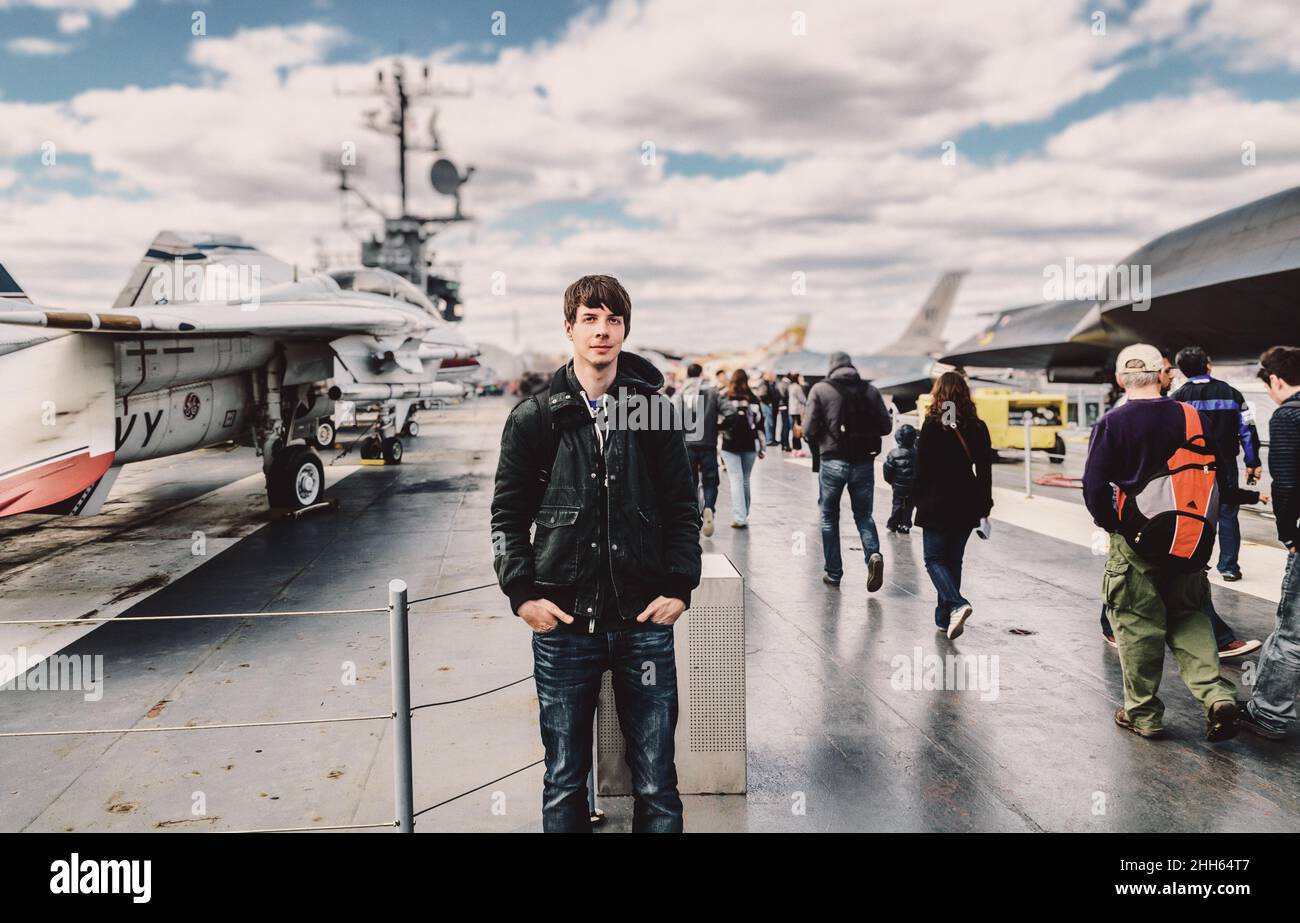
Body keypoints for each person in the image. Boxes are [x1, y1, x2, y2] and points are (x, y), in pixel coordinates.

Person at [490, 274, 702, 832]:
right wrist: (521, 595)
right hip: (562, 624)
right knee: (563, 777)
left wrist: (680, 585)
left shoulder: (653, 413)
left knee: (656, 778)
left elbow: (683, 507)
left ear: (625, 329)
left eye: (612, 320)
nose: (601, 331)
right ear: (569, 329)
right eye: (590, 319)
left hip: (643, 620)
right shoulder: (536, 418)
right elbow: (507, 517)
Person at [1083, 343, 1238, 742]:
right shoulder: (1191, 416)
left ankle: (1144, 715)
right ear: (1162, 374)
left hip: (1135, 540)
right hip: (1189, 538)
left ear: (1121, 379)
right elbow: (1218, 472)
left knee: (1137, 625)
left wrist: (1112, 524)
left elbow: (1094, 486)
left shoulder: (1112, 423)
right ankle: (1215, 695)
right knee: (1189, 615)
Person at [1097, 350, 1263, 659]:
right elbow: (1245, 430)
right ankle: (1227, 576)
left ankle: (1115, 628)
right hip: (1199, 489)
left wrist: (1111, 523)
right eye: (1166, 371)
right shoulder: (1220, 398)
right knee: (1185, 567)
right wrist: (1247, 474)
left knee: (1133, 573)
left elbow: (1095, 481)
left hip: (1156, 501)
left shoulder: (1177, 400)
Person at [1240, 346, 1300, 740]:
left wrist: (1289, 536)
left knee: (1292, 631)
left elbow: (1287, 483)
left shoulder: (1289, 415)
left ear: (1276, 380)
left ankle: (1270, 713)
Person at [1170, 346, 1263, 582]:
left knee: (1192, 512)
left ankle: (1194, 562)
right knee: (1228, 513)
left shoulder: (1178, 398)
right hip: (1226, 465)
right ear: (1208, 365)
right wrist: (1253, 461)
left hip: (1190, 468)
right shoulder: (1232, 394)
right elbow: (1247, 429)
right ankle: (1229, 567)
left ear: (1181, 370)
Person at [803, 351, 892, 590]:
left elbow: (808, 430)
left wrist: (824, 434)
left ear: (831, 367)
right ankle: (873, 555)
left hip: (832, 460)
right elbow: (886, 426)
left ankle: (834, 572)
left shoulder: (820, 390)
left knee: (829, 517)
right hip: (863, 462)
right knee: (864, 515)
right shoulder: (870, 391)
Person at [913, 373, 992, 638]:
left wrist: (914, 500)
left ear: (939, 394)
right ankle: (944, 617)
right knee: (953, 560)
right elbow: (984, 470)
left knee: (934, 559)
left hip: (936, 501)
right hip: (967, 501)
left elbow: (921, 467)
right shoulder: (978, 426)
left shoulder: (934, 424)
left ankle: (957, 604)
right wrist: (984, 507)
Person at [673, 362, 721, 537]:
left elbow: (673, 417)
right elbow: (729, 411)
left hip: (687, 445)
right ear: (701, 374)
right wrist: (718, 426)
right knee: (710, 481)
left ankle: (693, 516)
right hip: (708, 444)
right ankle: (708, 508)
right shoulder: (713, 391)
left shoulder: (680, 392)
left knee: (690, 483)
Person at [718, 369, 765, 527]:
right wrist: (762, 447)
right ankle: (745, 513)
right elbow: (759, 423)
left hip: (729, 444)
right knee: (745, 480)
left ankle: (740, 516)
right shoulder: (753, 399)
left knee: (736, 479)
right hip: (749, 444)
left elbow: (720, 420)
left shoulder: (725, 397)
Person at [883, 423, 918, 534]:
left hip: (898, 486)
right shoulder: (918, 454)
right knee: (909, 506)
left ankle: (893, 524)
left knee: (897, 504)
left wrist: (892, 482)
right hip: (912, 486)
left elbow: (887, 472)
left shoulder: (893, 454)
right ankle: (905, 524)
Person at [788, 373, 807, 455]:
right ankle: (797, 447)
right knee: (798, 429)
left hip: (791, 409)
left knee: (794, 429)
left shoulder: (791, 386)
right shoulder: (797, 387)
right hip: (797, 410)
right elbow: (803, 399)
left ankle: (795, 447)